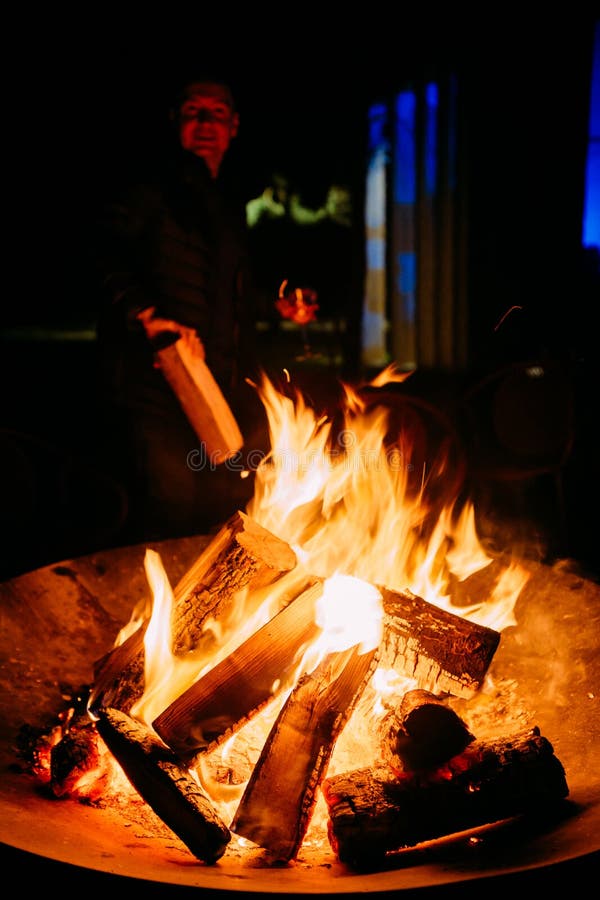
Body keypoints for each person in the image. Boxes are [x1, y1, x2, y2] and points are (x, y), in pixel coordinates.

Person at [93, 74, 262, 544]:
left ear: (234, 126)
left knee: (220, 509)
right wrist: (144, 314)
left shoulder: (228, 206)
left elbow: (229, 295)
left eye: (217, 112)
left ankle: (211, 615)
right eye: (193, 111)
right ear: (176, 122)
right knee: (168, 505)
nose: (206, 121)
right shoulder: (151, 187)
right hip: (153, 385)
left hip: (216, 389)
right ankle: (154, 614)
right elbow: (103, 254)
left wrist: (277, 306)